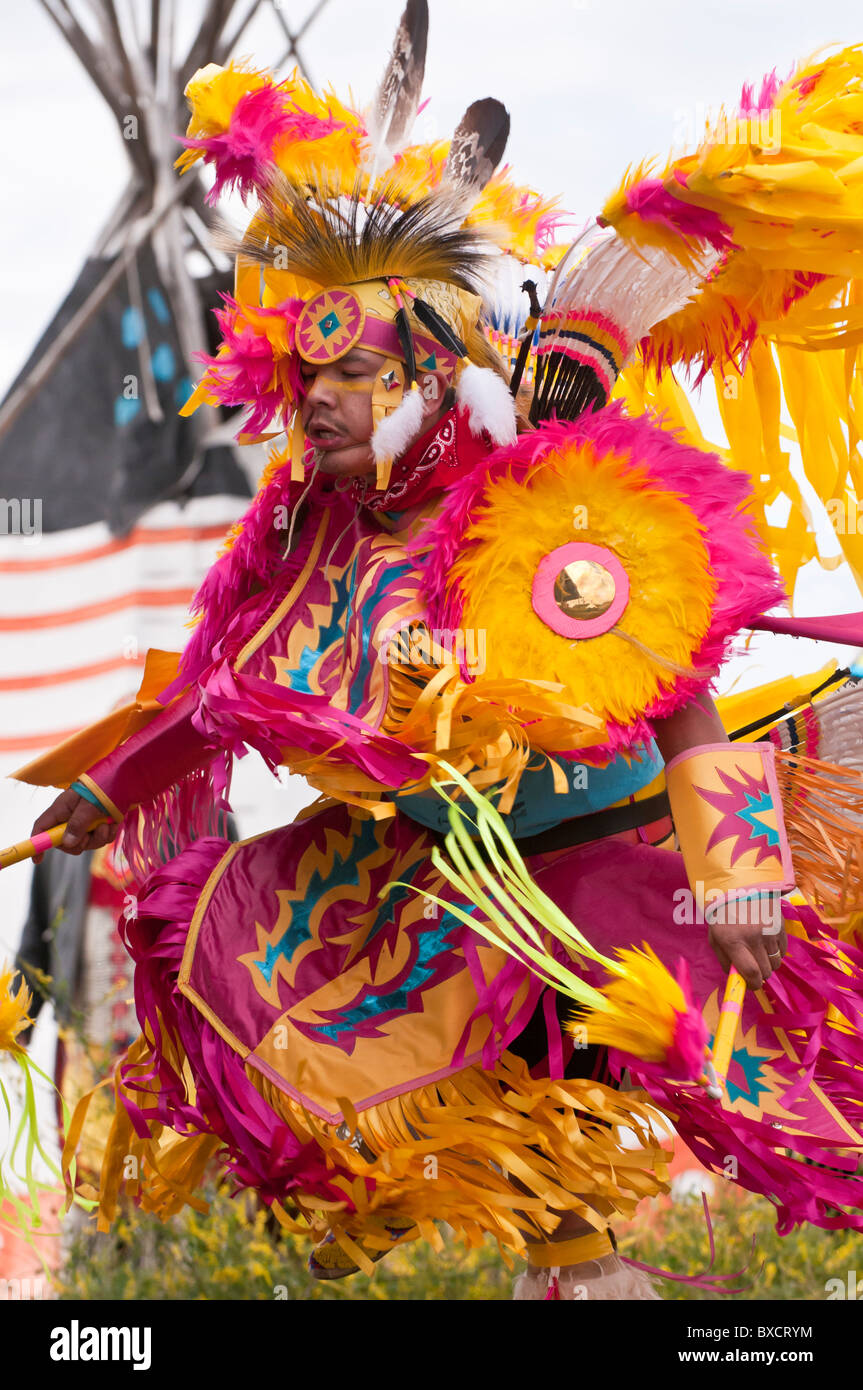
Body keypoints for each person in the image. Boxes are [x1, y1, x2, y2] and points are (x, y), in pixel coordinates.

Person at [12, 9, 863, 1300]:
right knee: (281, 1000)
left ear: (425, 363)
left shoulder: (537, 478)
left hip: (624, 863)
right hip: (448, 890)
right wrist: (103, 791)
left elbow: (677, 670)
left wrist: (732, 862)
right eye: (306, 389)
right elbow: (219, 686)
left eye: (350, 376)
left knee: (802, 1112)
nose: (323, 410)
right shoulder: (303, 528)